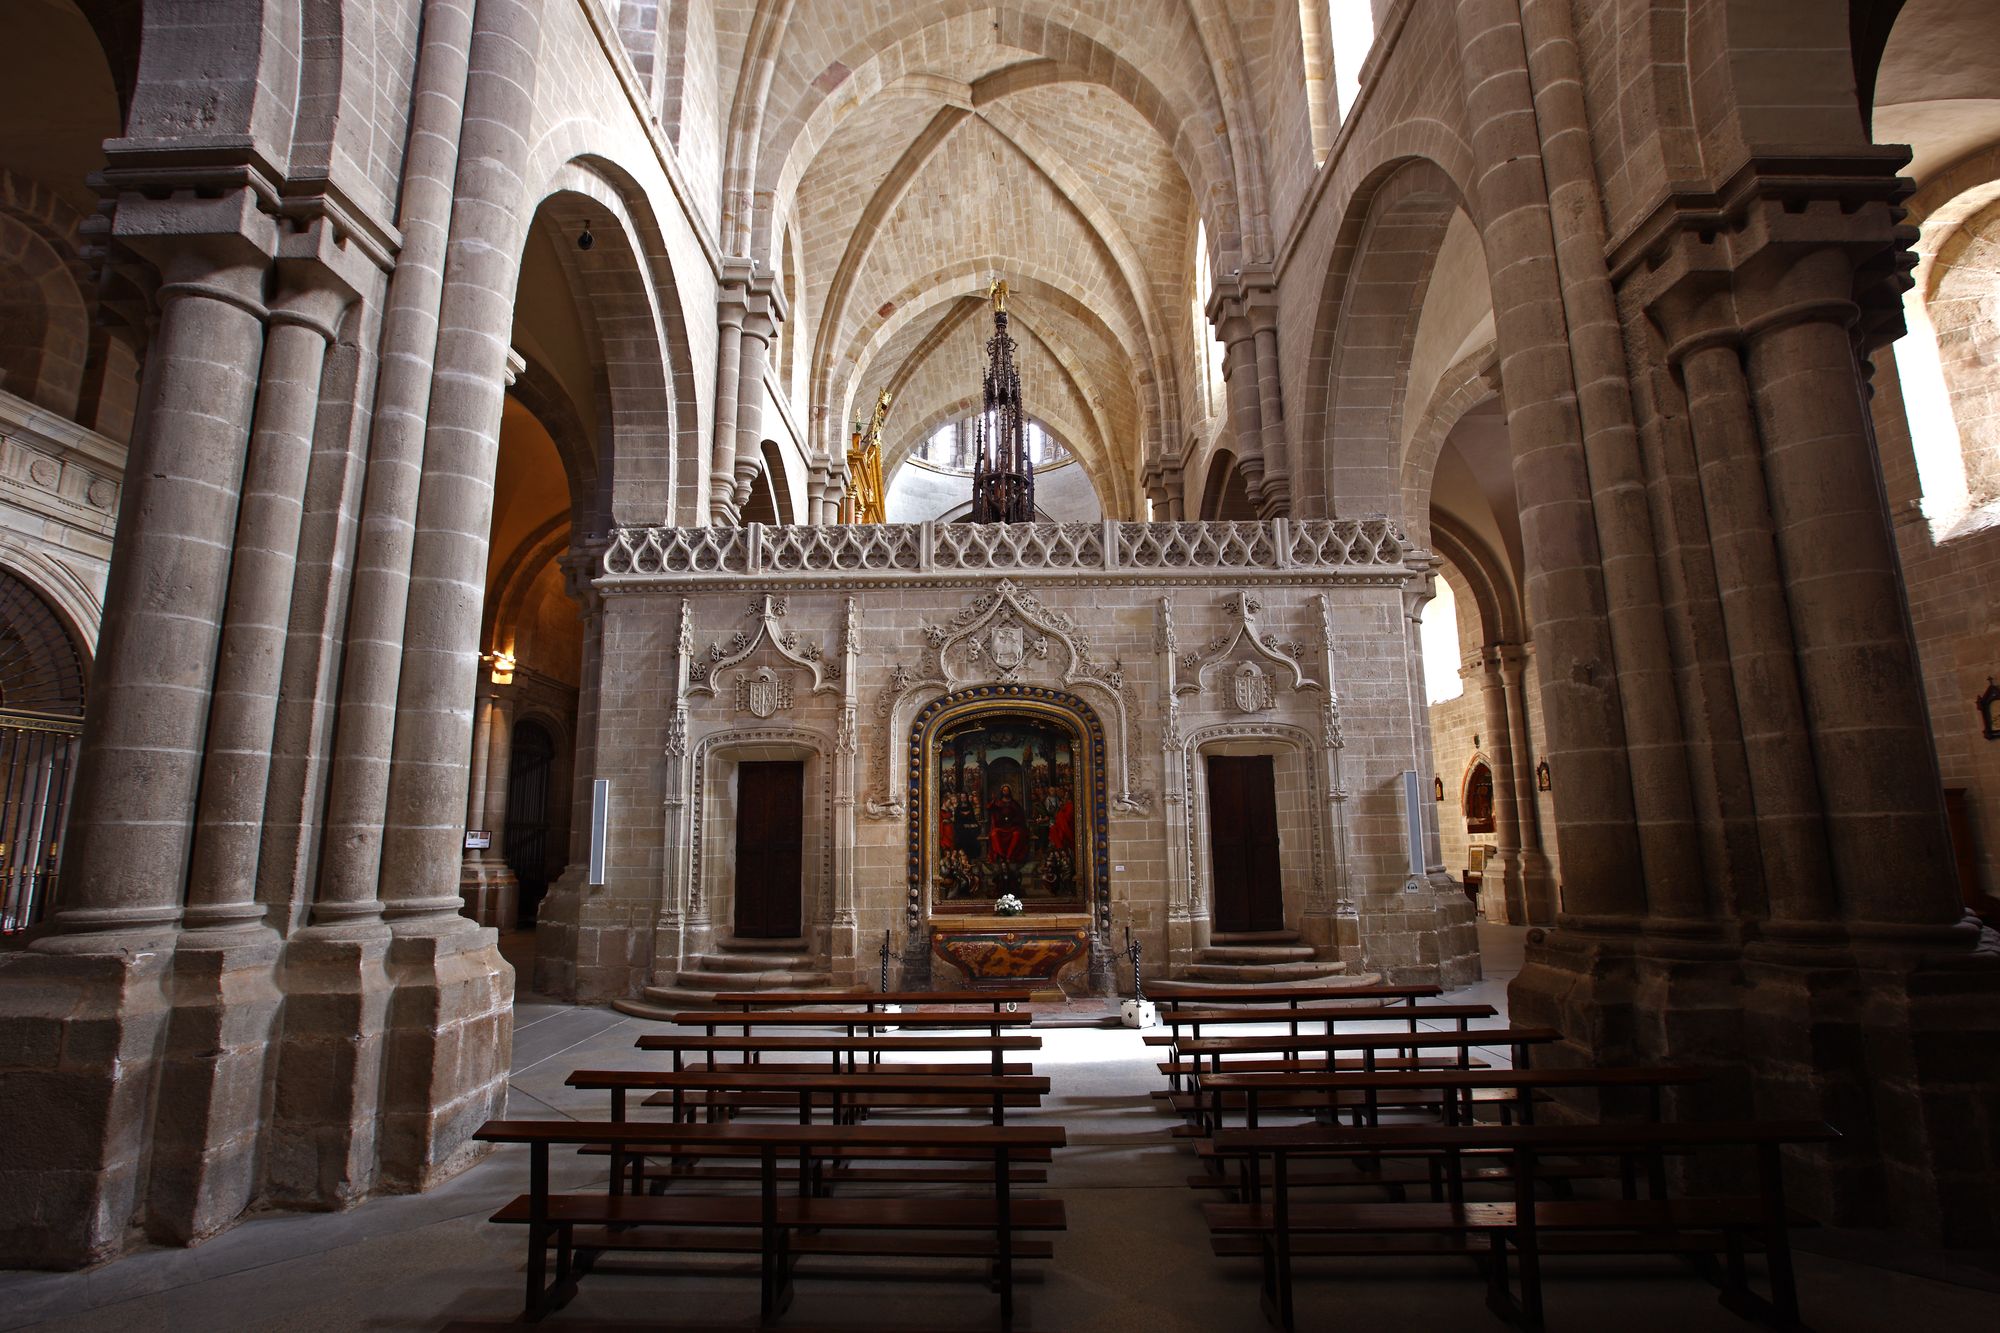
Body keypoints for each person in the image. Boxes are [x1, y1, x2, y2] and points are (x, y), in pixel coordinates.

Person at [987, 783, 1028, 863]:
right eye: (1004, 790)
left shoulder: (1014, 803)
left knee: (1017, 834)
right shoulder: (998, 802)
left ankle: (1009, 856)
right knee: (994, 834)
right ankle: (1001, 856)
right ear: (1002, 792)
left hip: (1012, 827)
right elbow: (989, 808)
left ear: (1009, 792)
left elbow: (1020, 816)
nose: (1005, 792)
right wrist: (993, 800)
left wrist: (1013, 821)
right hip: (1001, 827)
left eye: (1007, 790)